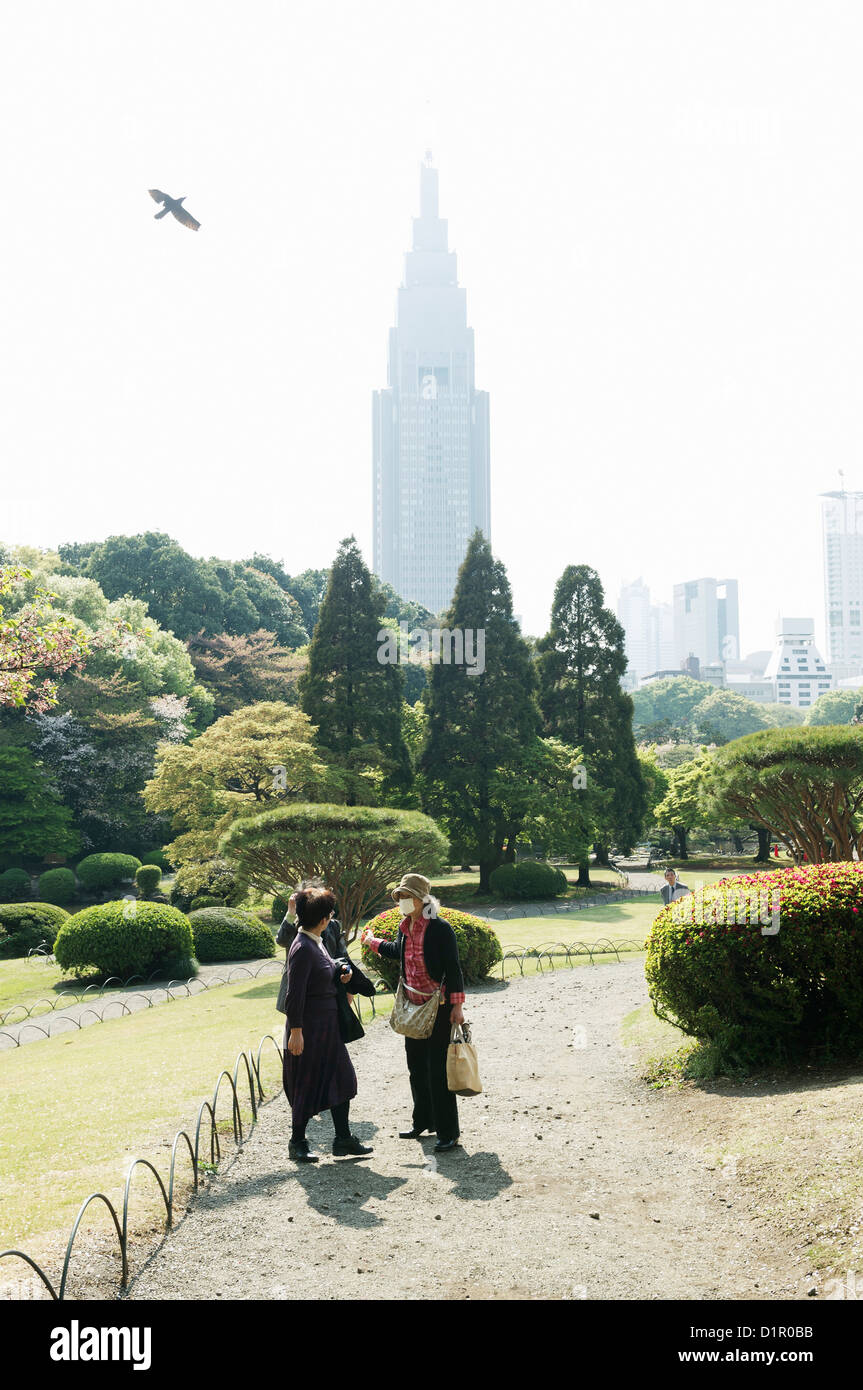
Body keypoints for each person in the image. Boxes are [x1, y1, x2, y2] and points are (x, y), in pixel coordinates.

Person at [362, 872, 465, 1154]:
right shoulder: (404, 927)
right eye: (400, 897)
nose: (403, 902)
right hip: (412, 1008)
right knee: (416, 1068)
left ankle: (448, 1132)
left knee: (437, 1071)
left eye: (407, 897)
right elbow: (397, 951)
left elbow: (453, 968)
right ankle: (423, 1122)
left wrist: (457, 1006)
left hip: (439, 1008)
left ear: (422, 899)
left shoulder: (440, 929)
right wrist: (372, 941)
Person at [284, 887, 372, 1164]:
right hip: (308, 1028)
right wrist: (296, 1031)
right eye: (330, 913)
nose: (332, 917)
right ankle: (297, 1141)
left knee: (341, 1078)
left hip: (327, 1025)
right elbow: (294, 993)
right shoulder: (302, 947)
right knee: (306, 1082)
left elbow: (321, 970)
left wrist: (339, 972)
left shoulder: (316, 940)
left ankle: (343, 1138)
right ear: (323, 918)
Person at [276, 879, 377, 1013]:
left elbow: (342, 955)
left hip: (329, 988)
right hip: (302, 992)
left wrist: (346, 974)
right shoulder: (295, 924)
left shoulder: (332, 924)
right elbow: (282, 940)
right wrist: (290, 913)